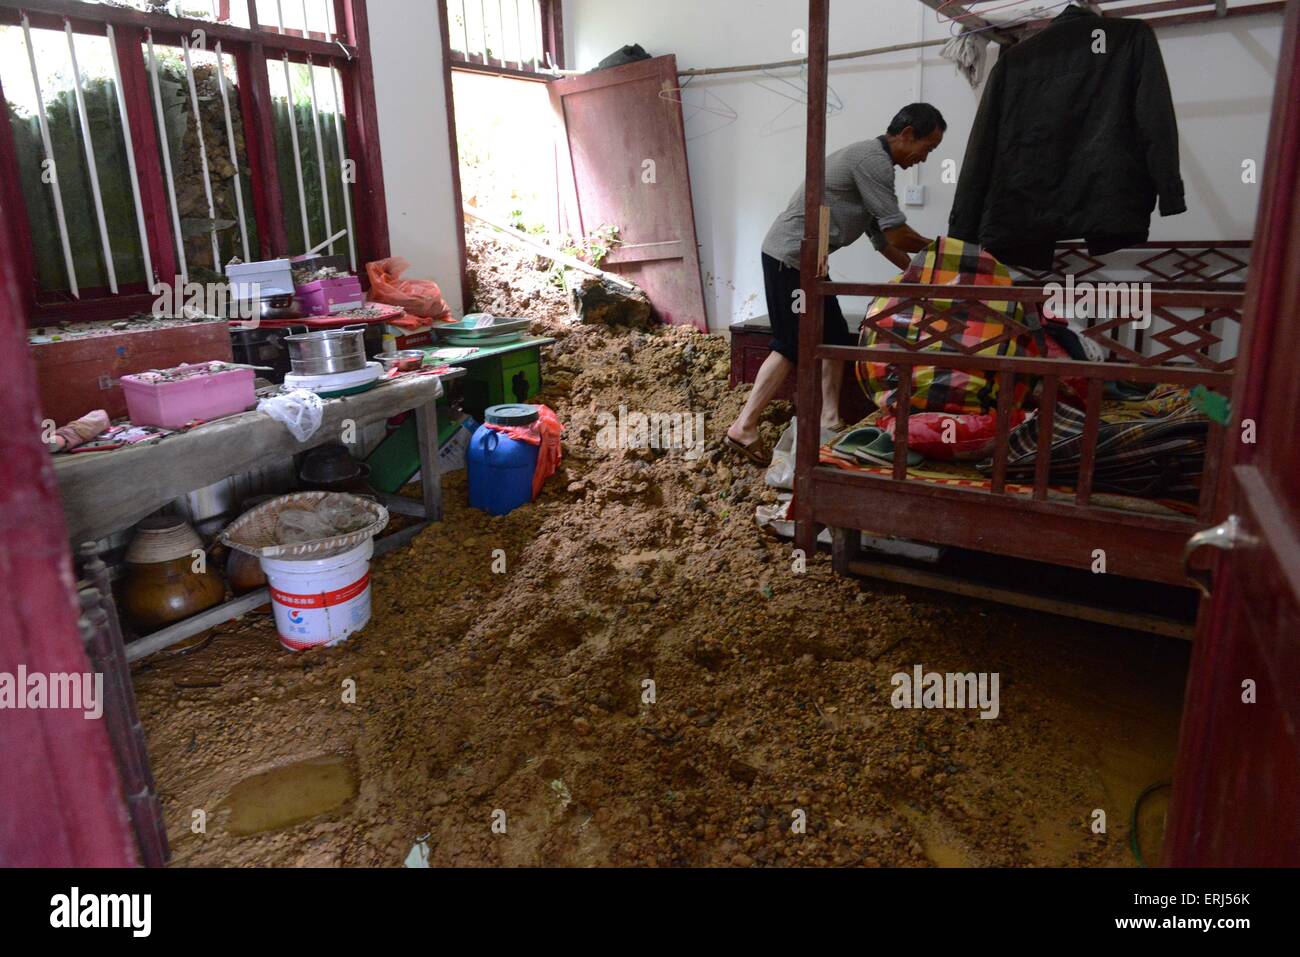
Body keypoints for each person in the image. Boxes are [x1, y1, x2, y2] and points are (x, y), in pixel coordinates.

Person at [724, 102, 946, 466]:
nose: (924, 157)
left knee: (834, 336)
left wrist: (920, 275)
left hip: (812, 263)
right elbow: (897, 231)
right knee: (791, 343)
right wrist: (943, 253)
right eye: (928, 148)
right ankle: (744, 425)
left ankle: (829, 420)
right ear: (907, 134)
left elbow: (883, 241)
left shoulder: (873, 162)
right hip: (790, 258)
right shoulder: (872, 161)